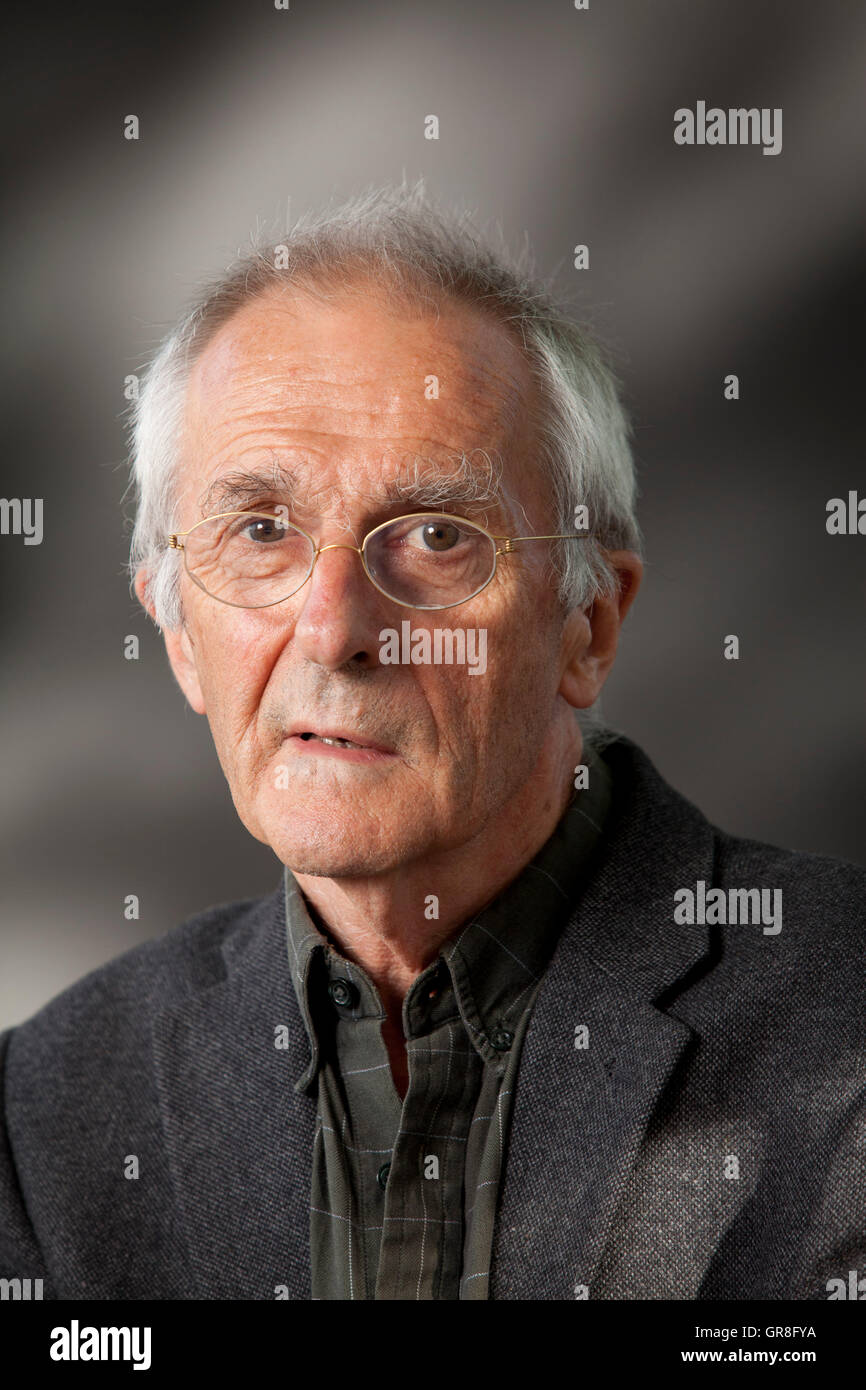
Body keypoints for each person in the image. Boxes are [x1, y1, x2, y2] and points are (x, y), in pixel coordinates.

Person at [1, 186, 863, 1301]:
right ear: (175, 628)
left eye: (435, 537)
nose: (333, 627)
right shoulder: (44, 1113)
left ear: (584, 626)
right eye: (260, 530)